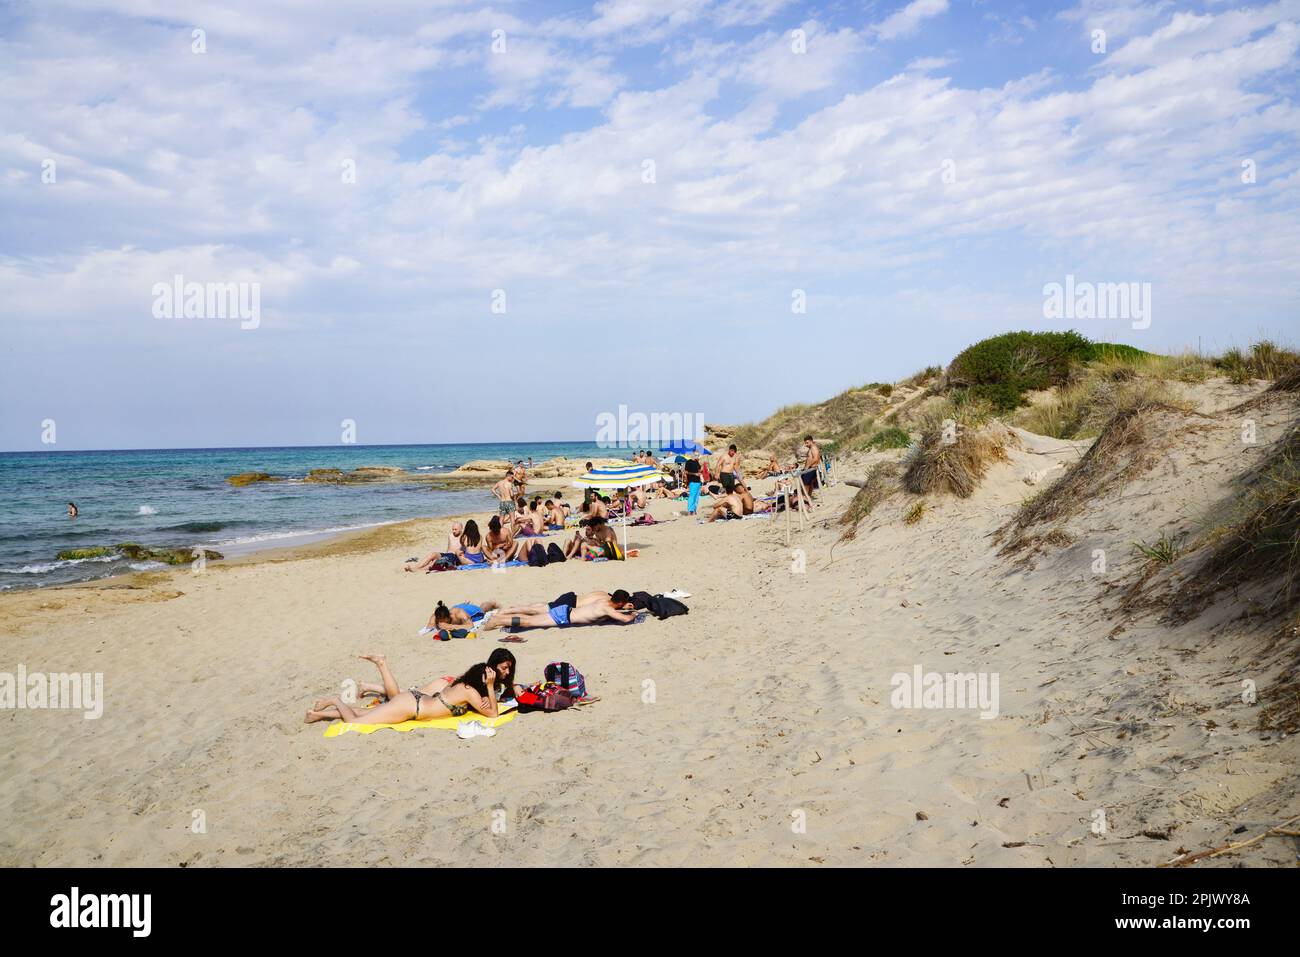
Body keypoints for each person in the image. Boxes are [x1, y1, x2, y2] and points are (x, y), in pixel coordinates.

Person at [305, 661, 500, 725]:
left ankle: (317, 715)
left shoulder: (462, 684)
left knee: (362, 713)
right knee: (356, 722)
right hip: (410, 707)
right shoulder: (469, 691)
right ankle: (334, 700)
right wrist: (490, 687)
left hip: (412, 700)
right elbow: (493, 714)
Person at [482, 590, 638, 632]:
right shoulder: (606, 607)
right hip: (563, 615)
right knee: (529, 621)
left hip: (566, 610)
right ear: (619, 603)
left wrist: (622, 607)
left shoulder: (604, 599)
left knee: (532, 614)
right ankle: (498, 620)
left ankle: (502, 617)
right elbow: (625, 620)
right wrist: (633, 614)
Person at [419, 598, 501, 635]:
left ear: (449, 616)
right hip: (457, 606)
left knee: (482, 609)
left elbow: (470, 625)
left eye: (443, 620)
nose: (441, 623)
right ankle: (465, 603)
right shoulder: (435, 617)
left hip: (470, 611)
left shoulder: (458, 614)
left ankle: (492, 602)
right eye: (439, 620)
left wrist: (450, 626)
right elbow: (428, 627)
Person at [800, 435, 823, 501]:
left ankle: (805, 497)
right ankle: (808, 497)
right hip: (810, 468)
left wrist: (807, 466)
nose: (805, 444)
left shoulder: (813, 448)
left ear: (811, 441)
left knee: (806, 484)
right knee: (809, 483)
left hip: (811, 468)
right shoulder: (812, 448)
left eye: (807, 443)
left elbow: (816, 458)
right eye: (805, 443)